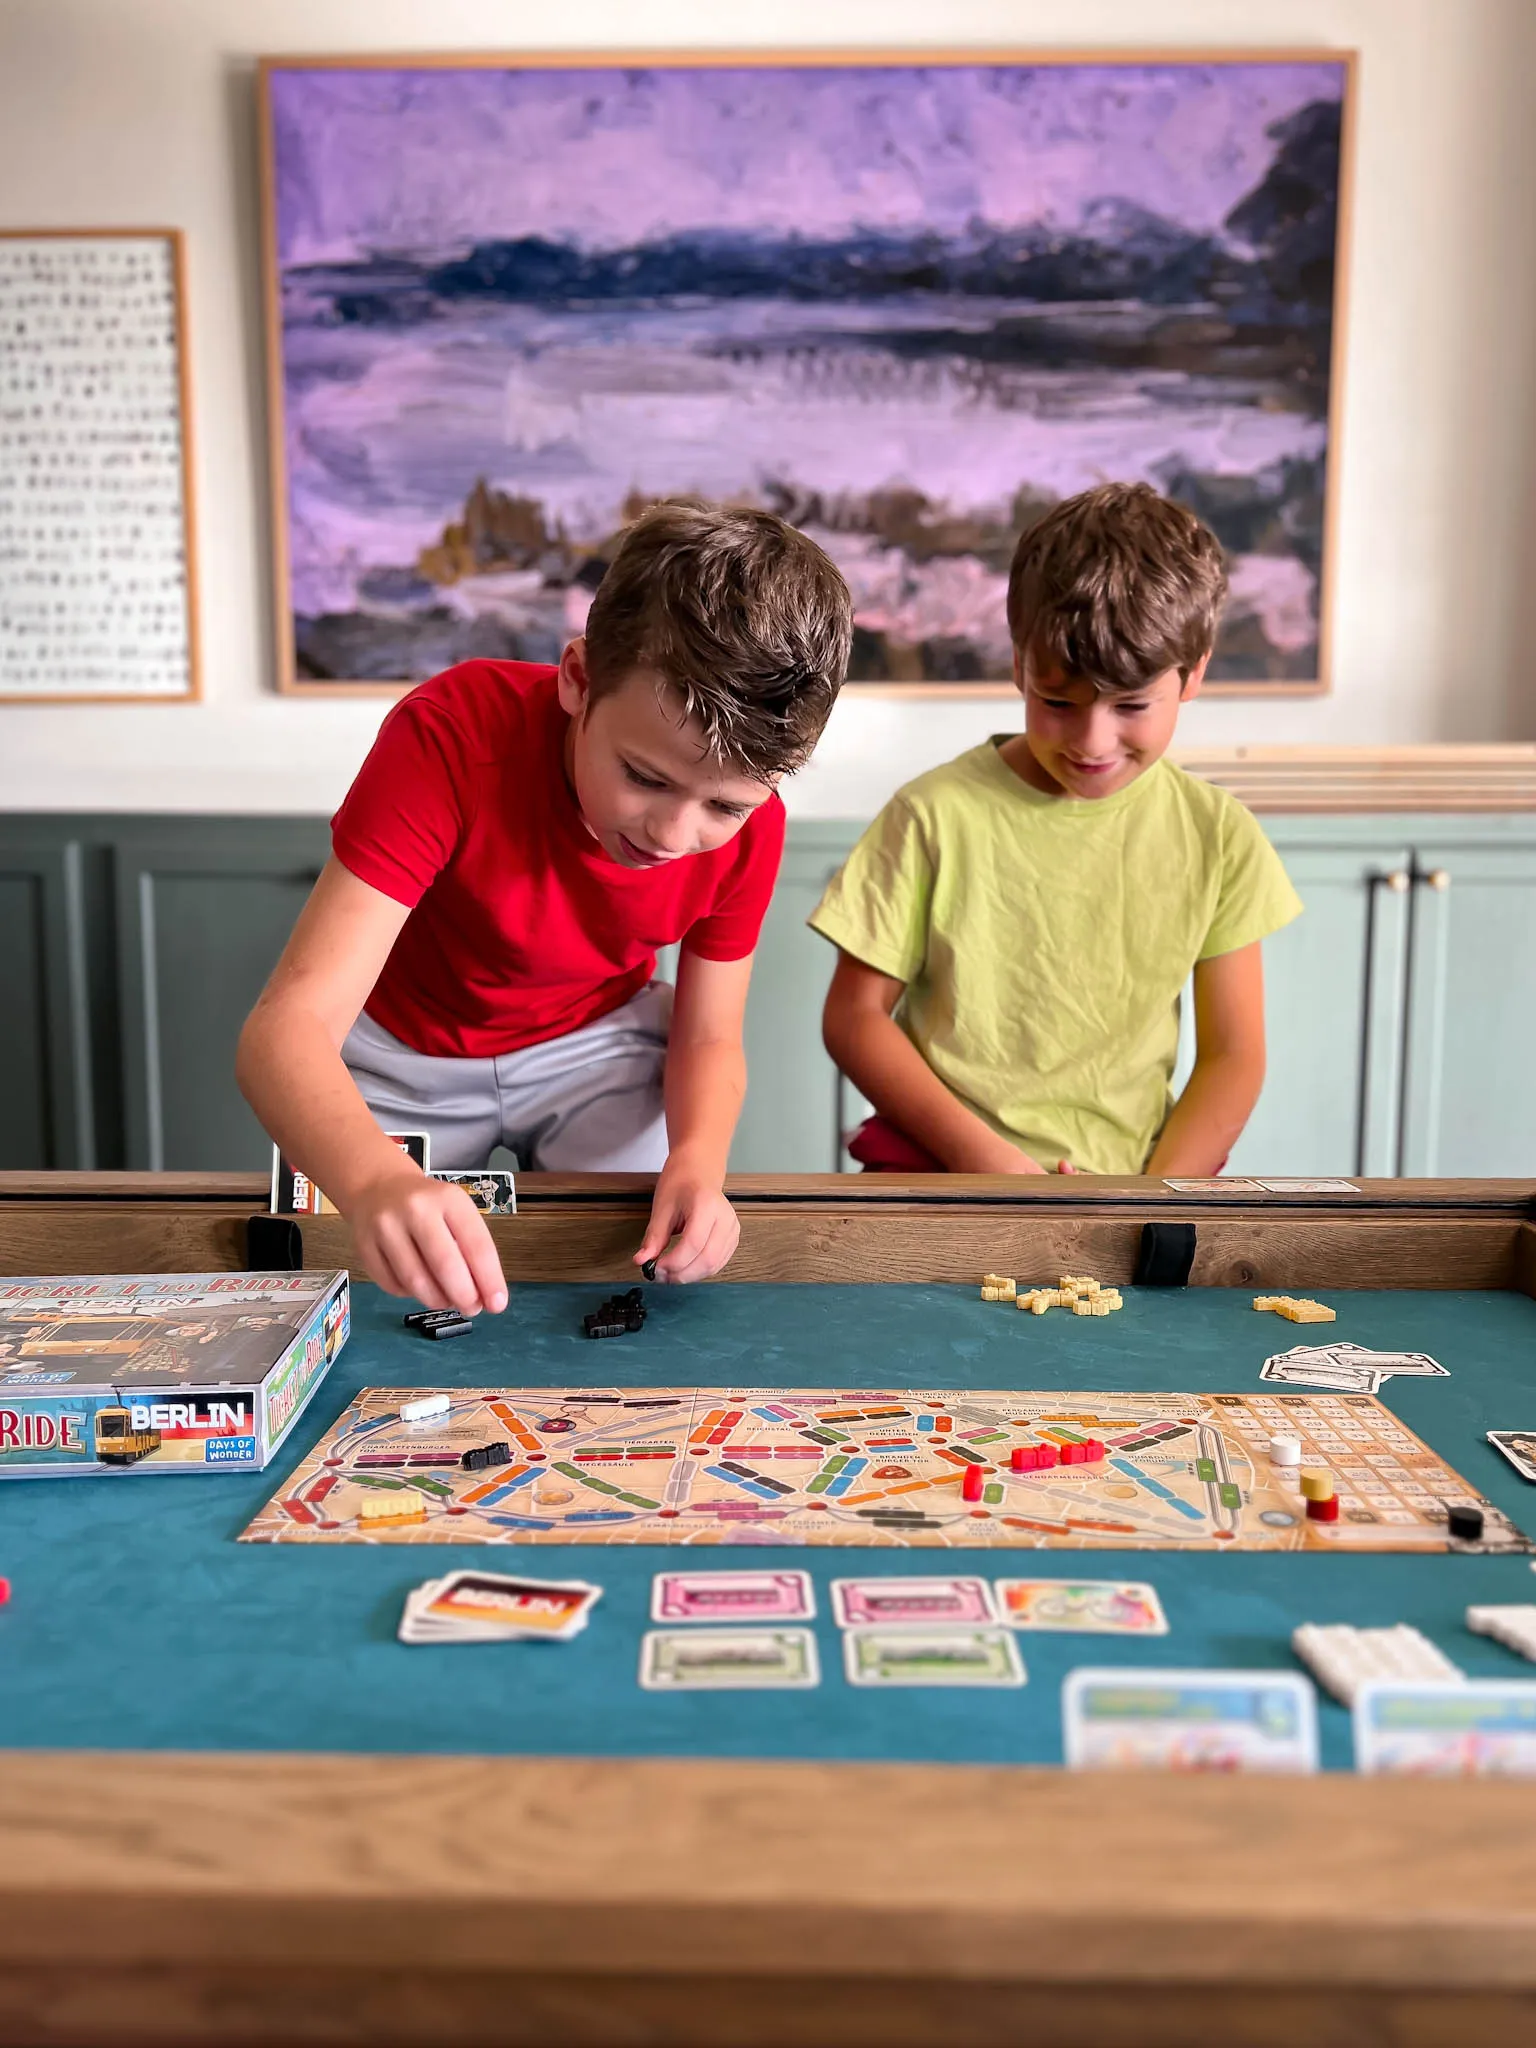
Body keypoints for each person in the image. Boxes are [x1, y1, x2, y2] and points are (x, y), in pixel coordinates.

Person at [238, 502, 852, 1312]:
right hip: (400, 1053)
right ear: (576, 680)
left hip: (595, 1050)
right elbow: (284, 1031)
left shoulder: (754, 828)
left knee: (640, 1277)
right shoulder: (448, 735)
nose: (673, 834)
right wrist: (375, 1181)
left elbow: (706, 1034)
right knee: (364, 1285)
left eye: (725, 806)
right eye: (644, 776)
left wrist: (699, 1164)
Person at [811, 481, 1301, 1178]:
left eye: (1132, 704)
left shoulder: (1219, 835)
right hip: (940, 1176)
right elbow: (855, 1018)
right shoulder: (931, 815)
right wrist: (994, 1165)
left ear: (1192, 676)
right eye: (1057, 702)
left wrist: (1152, 1196)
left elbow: (1234, 1054)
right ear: (1018, 664)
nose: (1092, 741)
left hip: (1134, 1186)